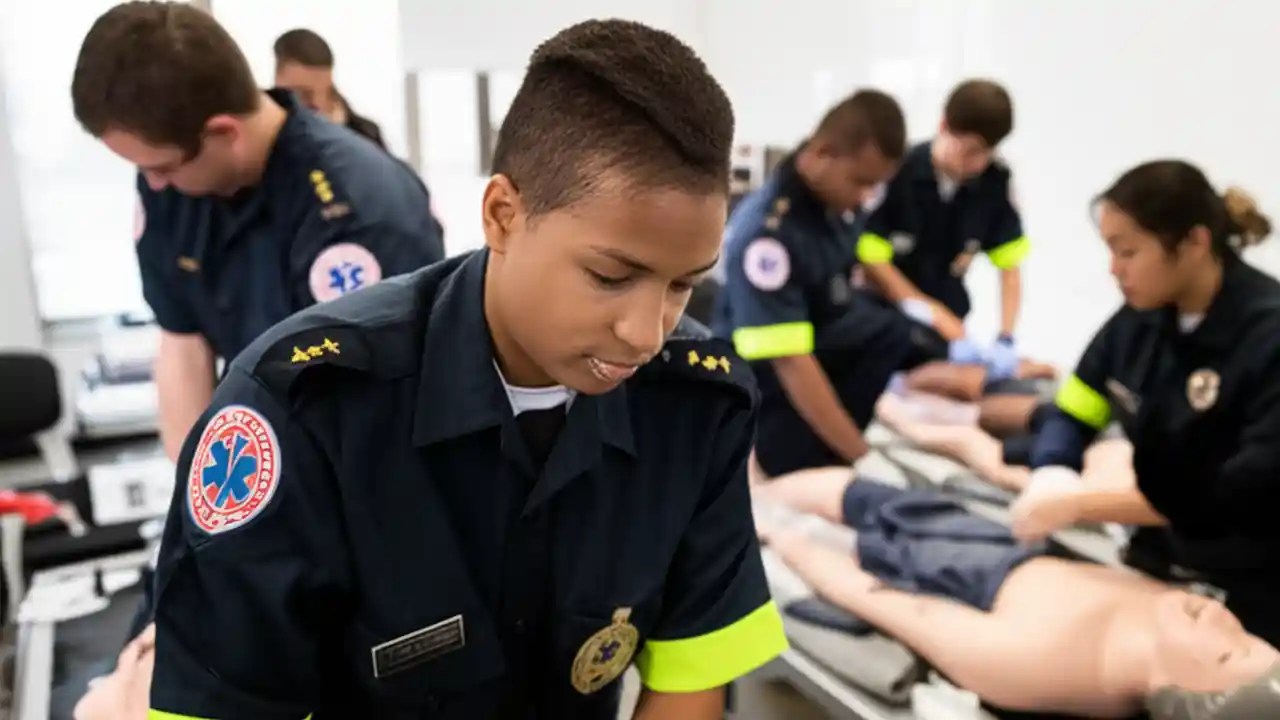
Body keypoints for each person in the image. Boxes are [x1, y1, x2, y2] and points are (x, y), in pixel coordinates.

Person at [145, 19, 787, 719]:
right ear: (502, 214)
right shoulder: (304, 412)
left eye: (681, 285)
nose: (645, 332)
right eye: (610, 276)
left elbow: (690, 674)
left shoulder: (695, 404)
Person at [71, 2, 445, 461]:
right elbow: (182, 341)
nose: (153, 184)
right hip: (268, 458)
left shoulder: (361, 210)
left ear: (224, 133)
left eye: (162, 168)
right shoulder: (170, 183)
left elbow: (371, 417)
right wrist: (194, 495)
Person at [755, 469, 1280, 719]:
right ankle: (762, 493)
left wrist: (784, 539)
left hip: (970, 570)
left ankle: (757, 501)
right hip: (1016, 554)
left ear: (1176, 697)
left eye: (1230, 653)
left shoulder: (1033, 661)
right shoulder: (1174, 615)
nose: (1219, 617)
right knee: (868, 495)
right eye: (1250, 635)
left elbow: (885, 603)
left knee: (865, 499)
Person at [1012, 160, 1280, 646]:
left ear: (1195, 243)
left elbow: (1237, 492)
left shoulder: (1267, 337)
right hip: (1156, 565)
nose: (1114, 269)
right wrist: (1054, 468)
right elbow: (1075, 406)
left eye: (1128, 251)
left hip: (1250, 595)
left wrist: (1080, 504)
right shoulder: (1139, 321)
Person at [857, 79, 1028, 378]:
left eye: (986, 153)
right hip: (885, 317)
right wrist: (931, 312)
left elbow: (1010, 268)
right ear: (943, 126)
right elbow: (872, 260)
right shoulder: (899, 172)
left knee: (985, 378)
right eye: (969, 150)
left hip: (947, 329)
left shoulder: (994, 182)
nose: (976, 163)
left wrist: (1006, 337)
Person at [273, 28, 386, 148]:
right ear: (278, 83)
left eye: (325, 91)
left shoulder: (366, 136)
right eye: (304, 94)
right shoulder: (265, 144)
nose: (316, 103)